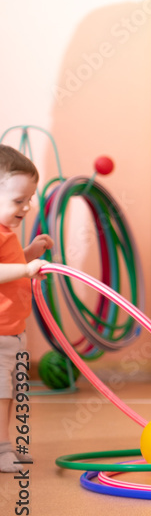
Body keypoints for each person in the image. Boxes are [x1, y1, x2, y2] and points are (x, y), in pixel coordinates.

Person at [0, 145, 53, 472]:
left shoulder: (7, 233)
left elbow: (10, 261)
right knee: (2, 394)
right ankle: (2, 449)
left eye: (29, 199)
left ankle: (4, 446)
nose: (26, 207)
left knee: (9, 394)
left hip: (12, 331)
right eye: (18, 200)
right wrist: (25, 268)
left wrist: (30, 252)